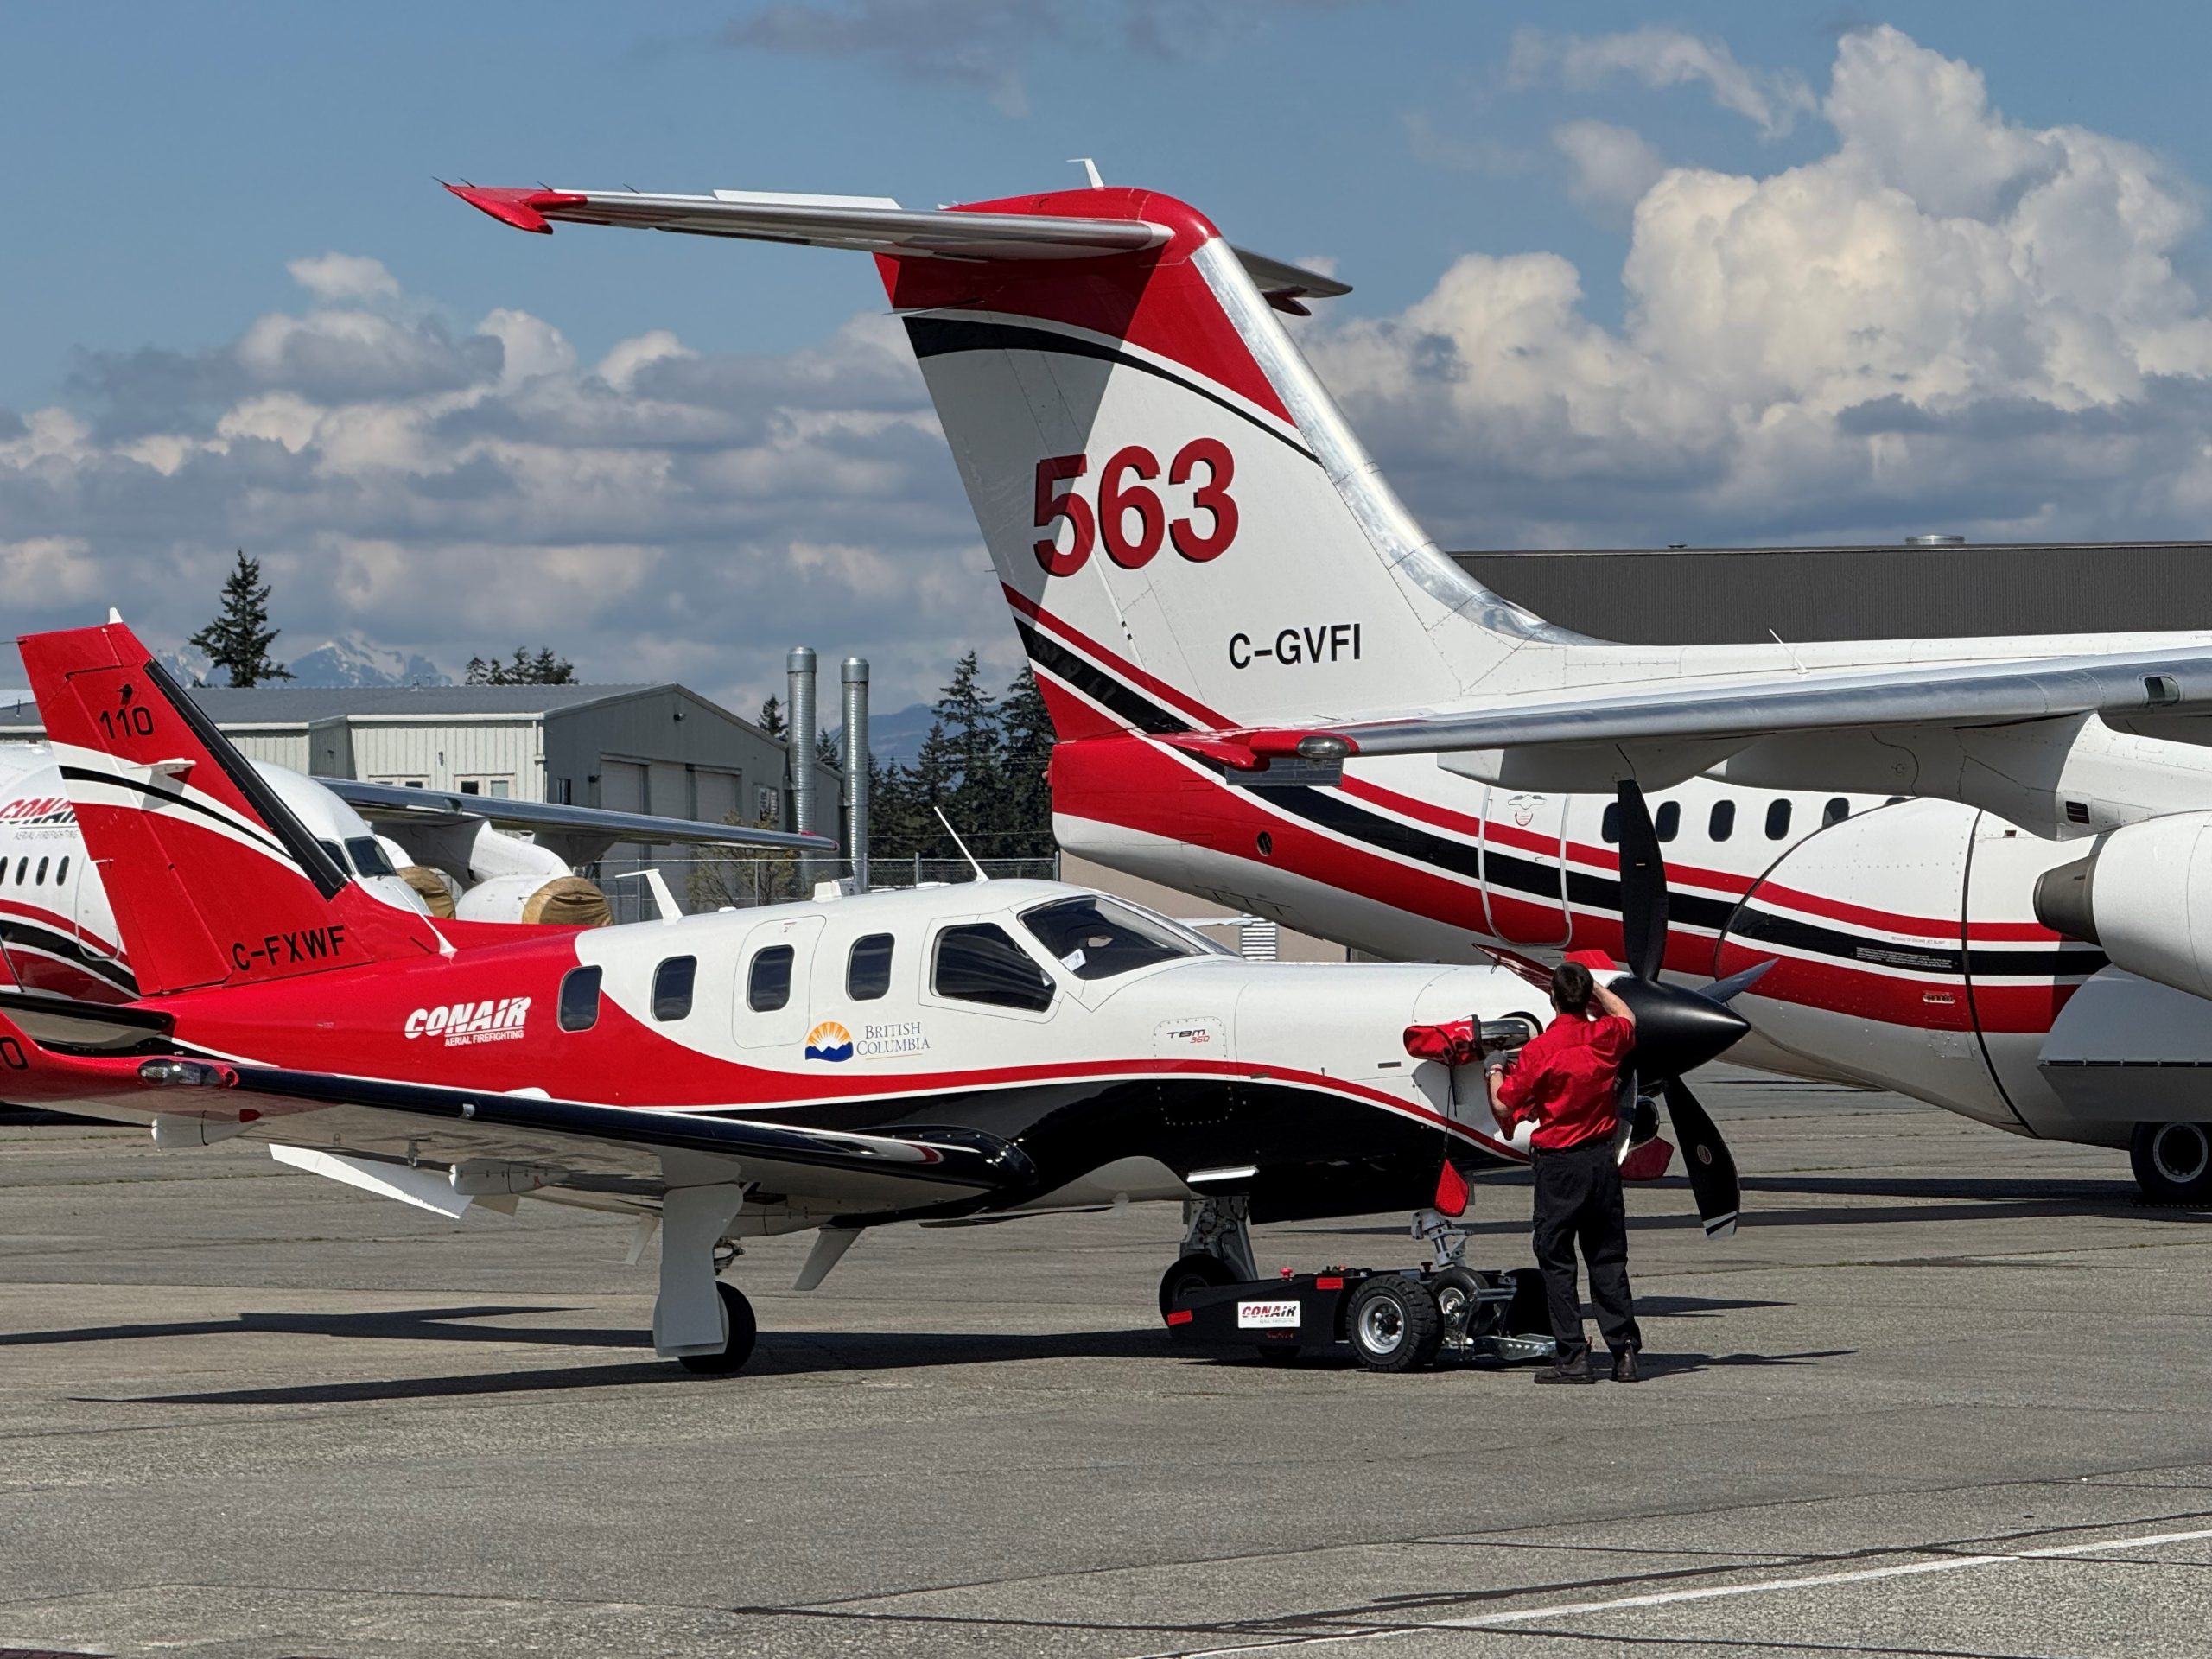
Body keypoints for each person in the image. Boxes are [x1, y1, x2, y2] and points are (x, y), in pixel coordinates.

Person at [1486, 959, 1643, 1384]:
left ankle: (1573, 1356)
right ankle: (1624, 1352)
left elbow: (1503, 1104)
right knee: (1608, 1258)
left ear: (1552, 998)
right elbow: (1626, 1015)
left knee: (1557, 1260)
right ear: (1586, 997)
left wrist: (1494, 1067)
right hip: (1602, 1162)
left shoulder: (1541, 1051)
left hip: (1559, 1166)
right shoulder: (1607, 1037)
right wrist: (1598, 990)